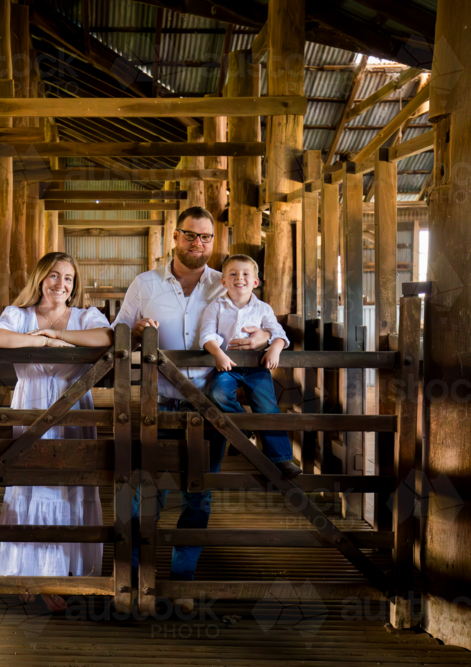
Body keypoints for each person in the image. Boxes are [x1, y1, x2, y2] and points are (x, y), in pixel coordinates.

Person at [111, 206, 273, 613]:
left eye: (205, 237)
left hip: (208, 409)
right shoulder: (145, 283)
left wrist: (265, 337)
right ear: (174, 236)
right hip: (160, 405)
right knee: (144, 494)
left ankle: (181, 582)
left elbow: (263, 318)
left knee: (197, 498)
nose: (197, 244)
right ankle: (132, 581)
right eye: (190, 235)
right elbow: (118, 329)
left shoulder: (228, 282)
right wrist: (133, 331)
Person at [0, 252, 113, 613]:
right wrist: (40, 341)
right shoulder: (21, 315)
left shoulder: (86, 317)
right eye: (54, 276)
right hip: (31, 404)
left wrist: (58, 333)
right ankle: (29, 578)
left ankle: (69, 575)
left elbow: (107, 337)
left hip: (73, 409)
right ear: (41, 279)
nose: (61, 284)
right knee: (32, 485)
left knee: (69, 484)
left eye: (69, 278)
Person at [200, 254, 299, 477]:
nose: (239, 278)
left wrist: (275, 348)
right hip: (228, 365)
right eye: (232, 274)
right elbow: (206, 334)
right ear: (223, 281)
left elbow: (278, 333)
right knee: (217, 392)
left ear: (255, 282)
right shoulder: (214, 307)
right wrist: (218, 353)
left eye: (246, 274)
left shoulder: (263, 308)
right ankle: (242, 428)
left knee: (267, 407)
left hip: (257, 367)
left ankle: (282, 458)